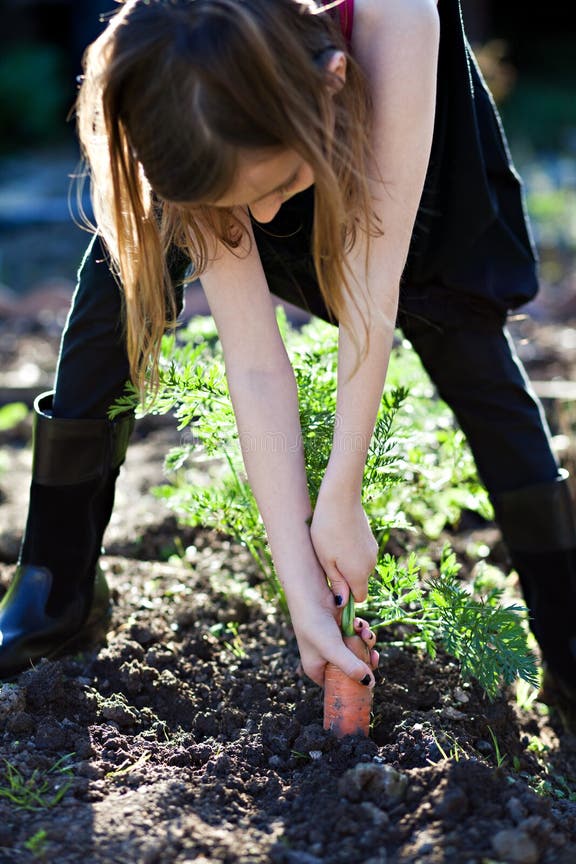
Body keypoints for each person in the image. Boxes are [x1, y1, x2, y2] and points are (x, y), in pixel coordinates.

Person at [0, 0, 574, 728]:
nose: (267, 221)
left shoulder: (394, 20)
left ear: (333, 78)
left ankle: (567, 638)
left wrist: (341, 494)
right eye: (247, 204)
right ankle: (54, 589)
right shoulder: (184, 59)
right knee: (116, 288)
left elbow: (372, 293)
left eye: (274, 189)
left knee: (472, 354)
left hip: (397, 173)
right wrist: (301, 586)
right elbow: (256, 363)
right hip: (246, 141)